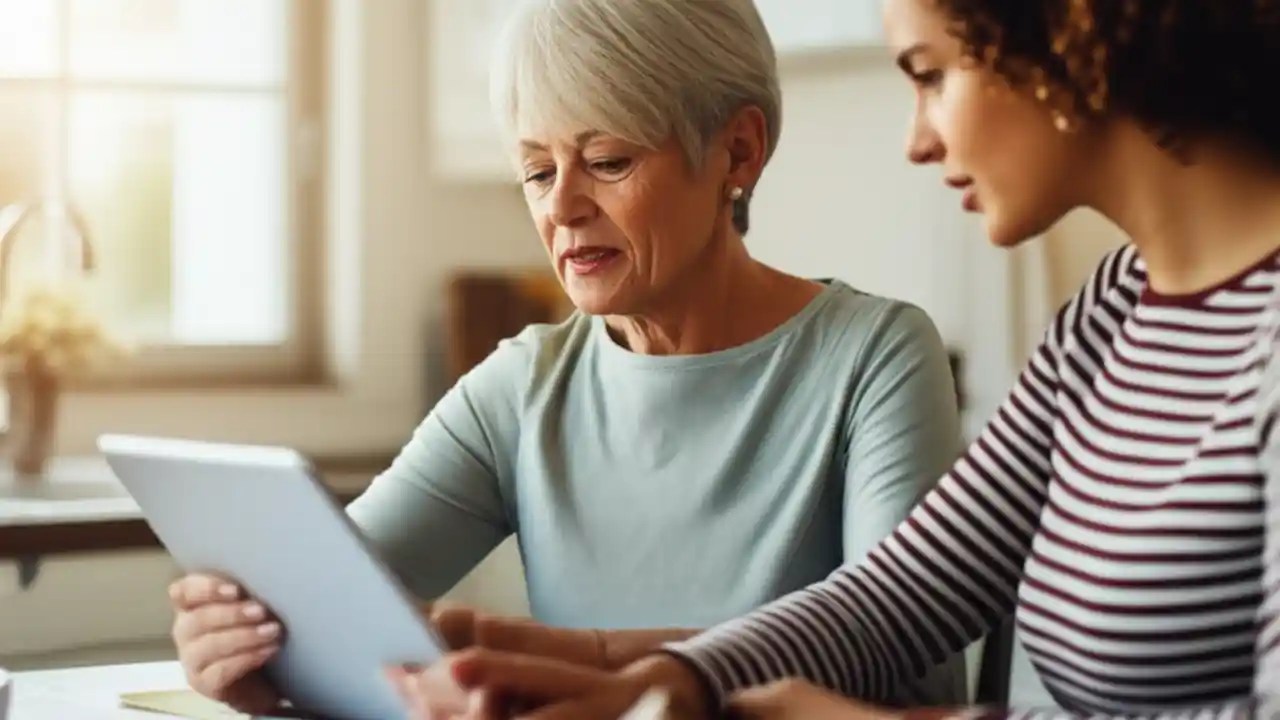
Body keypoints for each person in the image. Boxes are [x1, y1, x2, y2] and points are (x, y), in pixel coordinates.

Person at [393, 0, 1280, 717]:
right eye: (539, 170)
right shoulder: (1114, 308)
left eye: (932, 76)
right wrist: (658, 682)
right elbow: (899, 597)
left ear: (1069, 33)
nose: (918, 140)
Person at [162, 0, 971, 715]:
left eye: (609, 161)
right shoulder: (521, 388)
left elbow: (900, 666)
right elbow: (331, 605)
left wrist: (593, 667)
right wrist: (252, 645)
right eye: (538, 170)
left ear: (739, 151)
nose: (561, 206)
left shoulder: (875, 357)